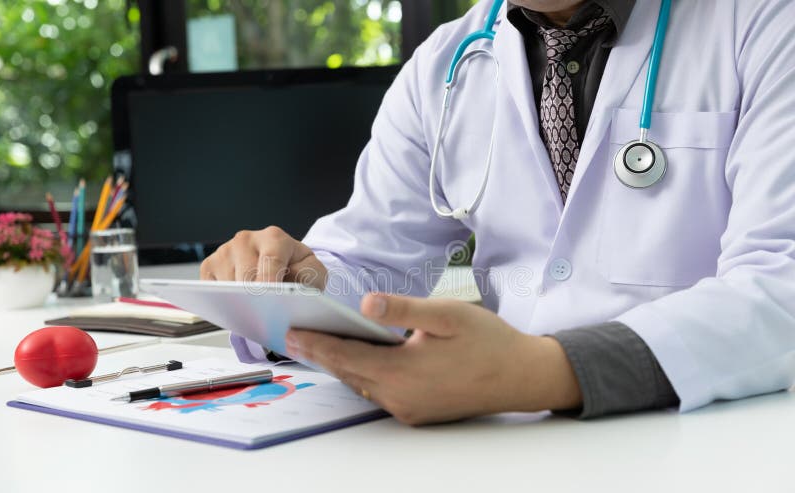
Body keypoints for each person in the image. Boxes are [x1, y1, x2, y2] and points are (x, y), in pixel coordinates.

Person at [200, 0, 795, 425]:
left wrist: (544, 371)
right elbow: (379, 264)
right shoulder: (445, 62)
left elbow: (781, 285)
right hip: (512, 446)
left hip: (710, 436)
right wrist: (299, 286)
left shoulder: (763, 22)